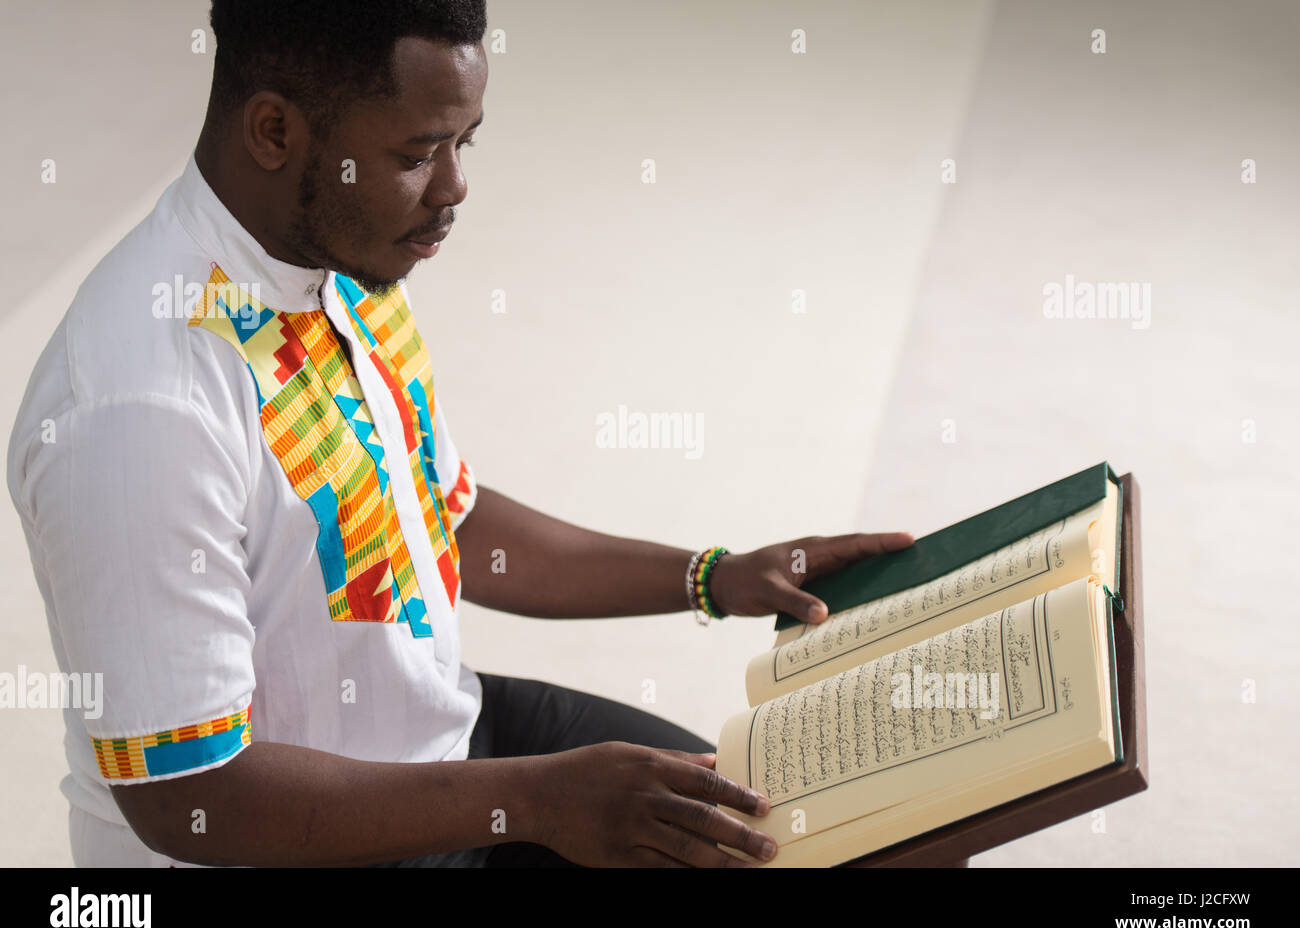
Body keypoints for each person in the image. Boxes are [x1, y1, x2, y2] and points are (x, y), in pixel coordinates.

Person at [5, 0, 914, 868]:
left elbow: (448, 520)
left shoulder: (338, 258)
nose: (455, 186)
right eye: (418, 151)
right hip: (293, 843)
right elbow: (189, 795)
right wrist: (537, 802)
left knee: (817, 826)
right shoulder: (135, 409)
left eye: (463, 141)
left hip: (446, 751)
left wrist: (714, 575)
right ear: (275, 132)